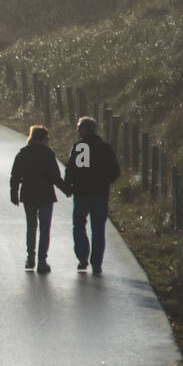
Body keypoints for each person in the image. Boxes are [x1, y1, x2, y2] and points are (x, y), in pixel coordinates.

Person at [10, 125, 72, 273]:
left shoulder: (23, 153)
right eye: (47, 139)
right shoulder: (48, 154)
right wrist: (67, 190)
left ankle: (30, 258)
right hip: (46, 196)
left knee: (31, 227)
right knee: (45, 229)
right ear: (44, 139)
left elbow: (15, 176)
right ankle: (42, 261)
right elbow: (55, 177)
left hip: (28, 195)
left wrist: (14, 193)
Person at [64, 116, 121, 274]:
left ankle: (82, 258)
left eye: (80, 128)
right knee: (98, 229)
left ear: (85, 130)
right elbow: (115, 171)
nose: (77, 131)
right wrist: (105, 182)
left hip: (82, 194)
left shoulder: (79, 147)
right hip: (100, 194)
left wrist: (69, 186)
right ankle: (96, 263)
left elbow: (71, 170)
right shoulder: (105, 147)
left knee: (79, 226)